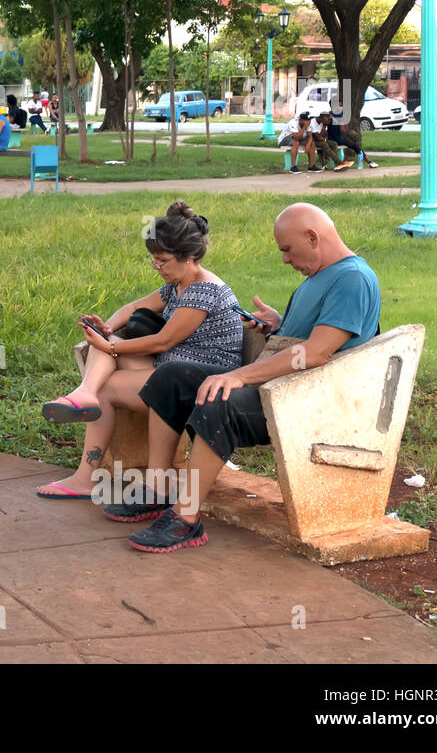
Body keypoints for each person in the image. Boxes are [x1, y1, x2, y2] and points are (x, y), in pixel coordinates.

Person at [108, 203, 381, 554]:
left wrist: (238, 375)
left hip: (306, 401)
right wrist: (279, 324)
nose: (285, 259)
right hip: (280, 387)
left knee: (218, 398)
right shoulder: (323, 276)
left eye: (287, 249)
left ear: (312, 237)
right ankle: (159, 490)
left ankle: (186, 518)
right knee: (171, 377)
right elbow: (313, 336)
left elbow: (317, 352)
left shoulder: (352, 279)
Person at [36, 202, 244, 499]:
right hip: (172, 371)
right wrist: (106, 328)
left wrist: (111, 345)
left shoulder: (204, 290)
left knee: (107, 385)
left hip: (197, 384)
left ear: (188, 257)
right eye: (153, 261)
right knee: (105, 348)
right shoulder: (178, 285)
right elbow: (135, 307)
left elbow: (163, 342)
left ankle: (86, 473)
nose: (156, 268)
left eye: (161, 261)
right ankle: (85, 393)